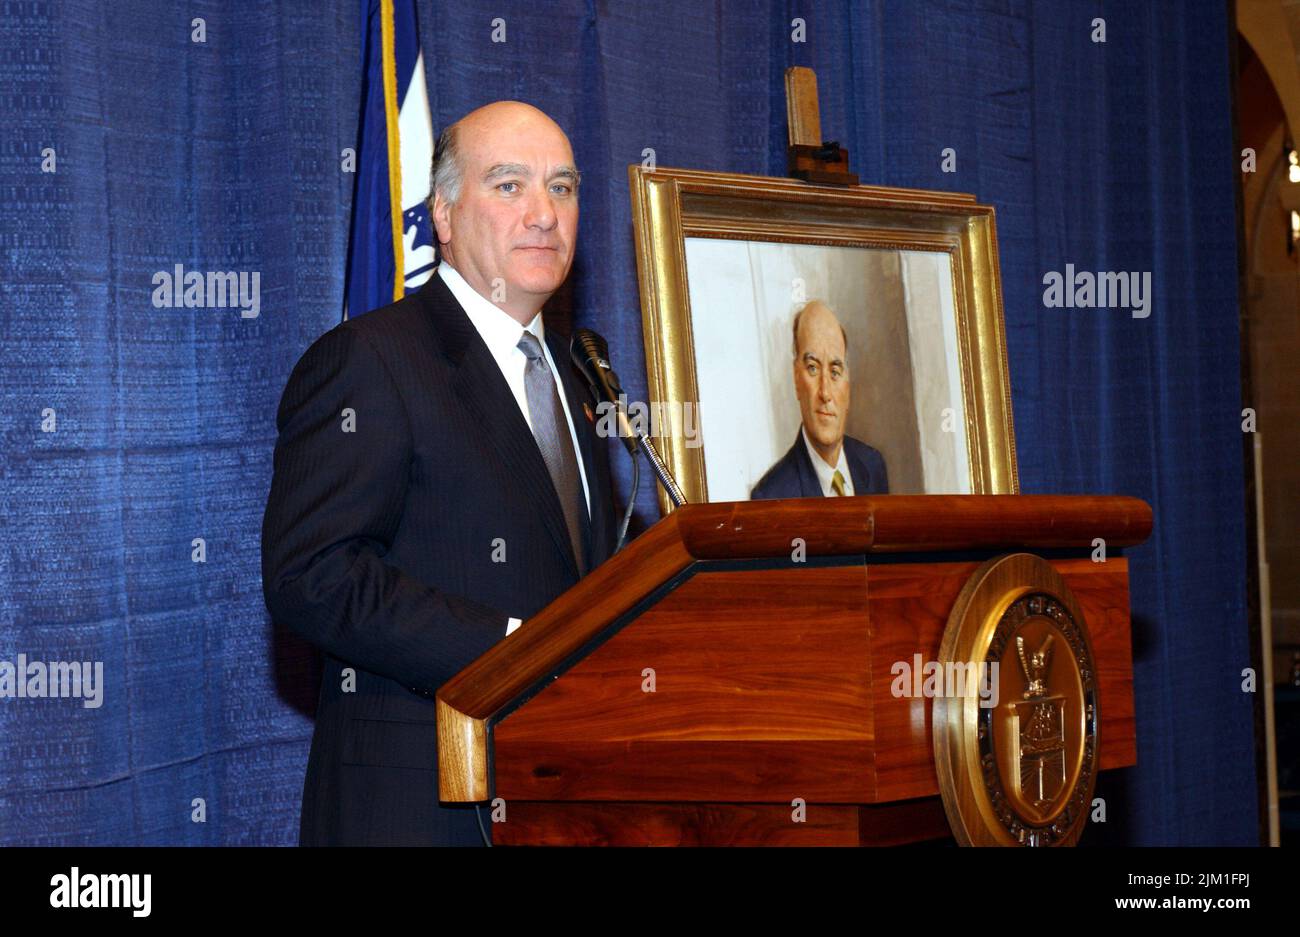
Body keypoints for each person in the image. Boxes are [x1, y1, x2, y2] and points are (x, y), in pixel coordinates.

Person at [261, 101, 617, 846]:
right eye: (510, 185)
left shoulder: (580, 377)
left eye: (563, 187)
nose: (544, 214)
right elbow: (312, 573)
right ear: (445, 217)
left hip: (559, 798)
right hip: (418, 809)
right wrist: (512, 646)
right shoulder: (372, 360)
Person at [751, 300, 889, 500]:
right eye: (813, 368)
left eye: (835, 372)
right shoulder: (771, 495)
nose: (825, 393)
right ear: (796, 378)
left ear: (847, 385)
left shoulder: (873, 466)